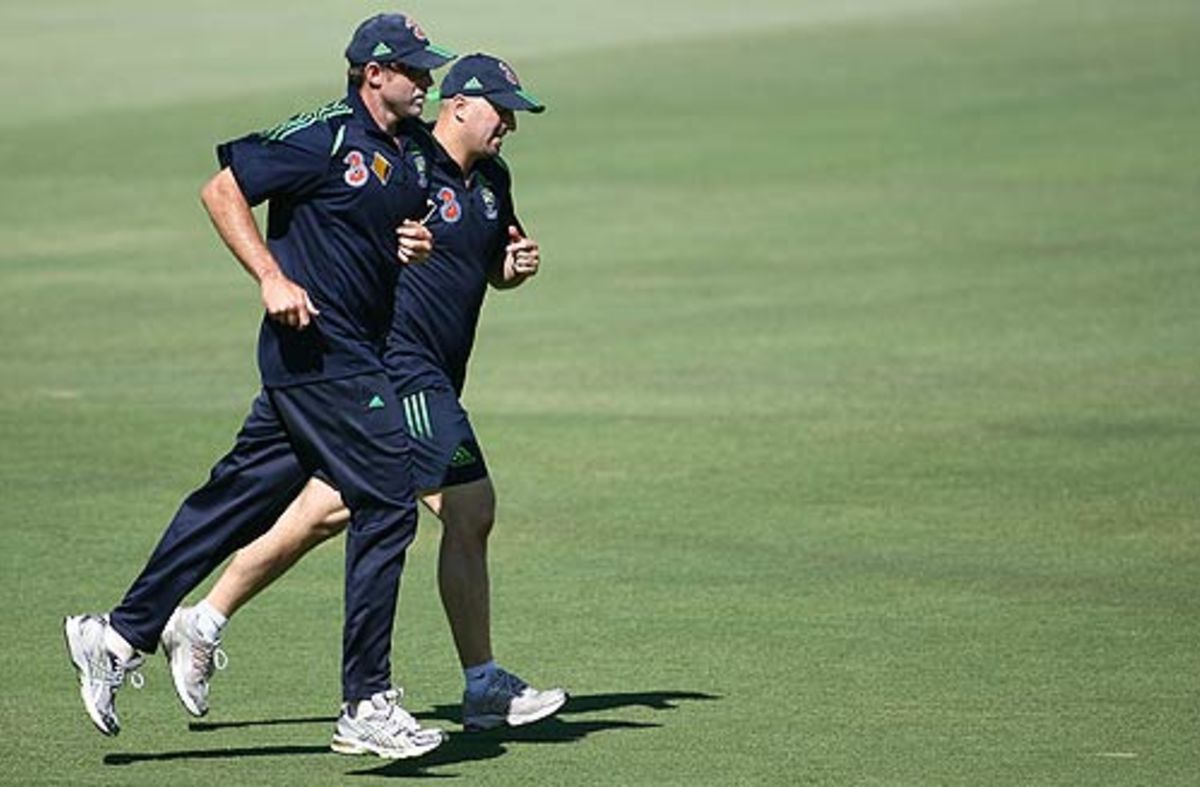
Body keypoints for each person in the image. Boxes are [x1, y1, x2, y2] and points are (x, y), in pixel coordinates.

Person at [63, 13, 457, 760]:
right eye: (414, 70)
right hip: (322, 355)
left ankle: (114, 636)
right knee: (384, 497)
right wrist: (271, 276)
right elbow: (222, 190)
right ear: (373, 74)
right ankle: (366, 702)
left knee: (236, 497)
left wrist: (411, 241)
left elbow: (383, 229)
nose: (426, 82)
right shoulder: (326, 135)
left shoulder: (406, 155)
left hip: (337, 359)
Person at [160, 54, 567, 733]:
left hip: (436, 368)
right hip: (399, 368)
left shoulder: (494, 179)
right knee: (471, 506)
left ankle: (199, 620)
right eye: (503, 111)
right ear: (459, 105)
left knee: (333, 506)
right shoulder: (408, 165)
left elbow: (491, 261)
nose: (511, 127)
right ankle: (481, 683)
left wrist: (511, 267)